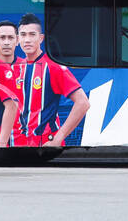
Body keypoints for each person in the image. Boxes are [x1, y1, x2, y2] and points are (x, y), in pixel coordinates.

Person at [15, 14, 90, 149]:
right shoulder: (18, 67)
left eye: (32, 34)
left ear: (41, 38)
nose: (27, 40)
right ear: (18, 39)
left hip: (46, 143)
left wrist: (57, 139)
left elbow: (83, 102)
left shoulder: (53, 66)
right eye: (23, 35)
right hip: (22, 143)